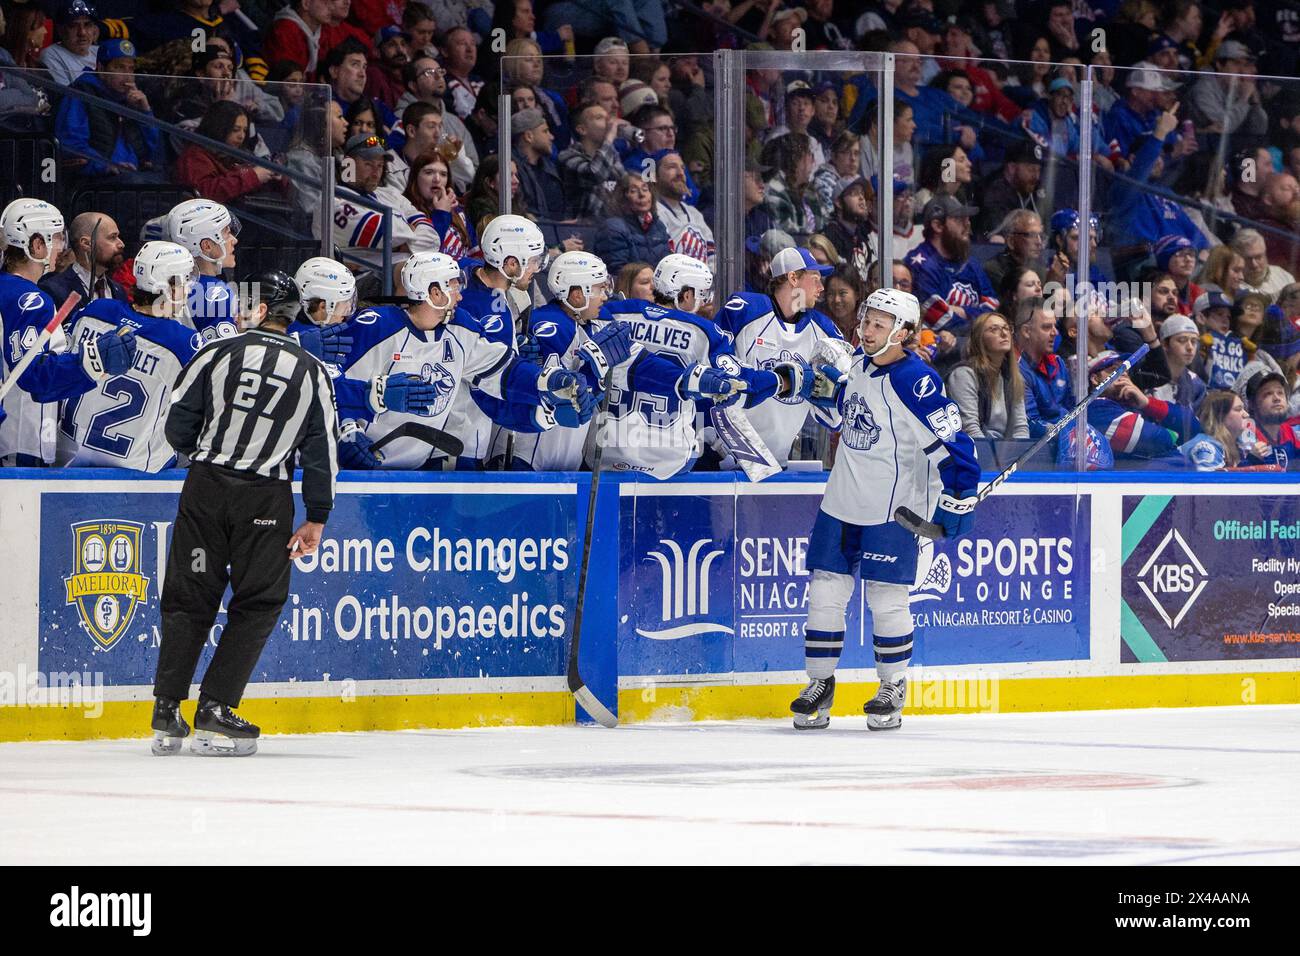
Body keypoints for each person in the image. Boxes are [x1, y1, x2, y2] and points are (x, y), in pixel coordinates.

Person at [149, 269, 341, 756]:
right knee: (258, 602)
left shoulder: (215, 352)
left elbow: (177, 426)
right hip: (265, 498)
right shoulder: (312, 371)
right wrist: (317, 515)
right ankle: (216, 706)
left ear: (259, 311)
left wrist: (212, 454)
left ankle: (167, 708)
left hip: (206, 488)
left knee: (188, 596)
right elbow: (322, 454)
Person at [793, 287, 979, 731]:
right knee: (823, 593)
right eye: (867, 320)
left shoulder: (915, 381)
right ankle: (819, 685)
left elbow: (953, 443)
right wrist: (826, 393)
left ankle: (892, 686)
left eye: (879, 323)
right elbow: (849, 409)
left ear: (904, 332)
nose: (868, 329)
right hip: (841, 501)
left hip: (892, 507)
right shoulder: (858, 364)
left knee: (886, 597)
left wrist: (959, 495)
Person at [334, 251, 590, 469]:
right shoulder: (375, 327)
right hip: (363, 467)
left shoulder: (461, 327)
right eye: (453, 286)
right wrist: (346, 430)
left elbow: (503, 372)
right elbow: (330, 382)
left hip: (416, 470)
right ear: (434, 292)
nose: (459, 295)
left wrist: (550, 381)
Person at [1, 199, 137, 465]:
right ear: (36, 244)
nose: (62, 248)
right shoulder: (29, 298)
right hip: (21, 441)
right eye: (55, 238)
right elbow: (34, 374)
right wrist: (93, 359)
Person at [57, 242, 201, 471]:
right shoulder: (183, 342)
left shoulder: (96, 310)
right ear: (169, 288)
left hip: (66, 459)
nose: (189, 290)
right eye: (185, 282)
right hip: (136, 473)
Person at [715, 246, 845, 470]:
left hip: (779, 459)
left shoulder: (825, 331)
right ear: (793, 277)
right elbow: (713, 365)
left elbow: (834, 417)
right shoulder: (744, 312)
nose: (821, 288)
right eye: (815, 279)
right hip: (725, 453)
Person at [55, 38, 164, 184]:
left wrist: (145, 113)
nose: (127, 75)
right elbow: (71, 144)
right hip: (97, 180)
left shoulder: (132, 100)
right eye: (119, 67)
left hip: (137, 175)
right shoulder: (81, 94)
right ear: (101, 68)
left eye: (131, 68)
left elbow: (156, 153)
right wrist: (105, 165)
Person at [906, 195, 998, 335]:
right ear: (938, 226)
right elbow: (939, 319)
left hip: (974, 344)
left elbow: (993, 306)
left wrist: (959, 310)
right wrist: (979, 323)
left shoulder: (970, 263)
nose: (968, 224)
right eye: (959, 219)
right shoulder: (920, 265)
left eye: (967, 218)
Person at [166, 199, 243, 344]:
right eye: (227, 234)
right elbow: (224, 356)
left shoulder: (168, 280)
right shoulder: (217, 293)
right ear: (207, 245)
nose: (234, 240)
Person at [946, 311, 1029, 440]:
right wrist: (993, 459)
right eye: (994, 329)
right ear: (980, 339)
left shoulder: (1013, 378)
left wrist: (1019, 457)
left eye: (1006, 328)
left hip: (1006, 454)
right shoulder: (964, 375)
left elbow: (1020, 428)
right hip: (977, 453)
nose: (1004, 333)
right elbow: (970, 429)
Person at [39, 213, 129, 319]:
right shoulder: (53, 290)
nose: (121, 244)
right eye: (112, 237)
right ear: (86, 243)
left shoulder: (118, 290)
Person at [1015, 296, 1073, 439]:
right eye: (1047, 327)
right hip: (1041, 450)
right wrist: (1070, 434)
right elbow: (1031, 423)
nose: (1055, 332)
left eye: (1055, 326)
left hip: (1067, 439)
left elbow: (1074, 408)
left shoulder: (1059, 363)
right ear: (1027, 331)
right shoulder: (1017, 369)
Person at [557, 102, 625, 220]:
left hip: (614, 229)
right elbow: (595, 174)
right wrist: (609, 138)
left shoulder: (611, 154)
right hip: (582, 230)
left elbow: (625, 184)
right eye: (599, 118)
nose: (608, 123)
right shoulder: (567, 156)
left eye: (607, 118)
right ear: (582, 129)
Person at [594, 174, 671, 274]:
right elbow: (617, 272)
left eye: (645, 189)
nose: (642, 195)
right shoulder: (612, 228)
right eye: (633, 191)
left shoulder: (659, 226)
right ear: (622, 198)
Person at [654, 151, 715, 267]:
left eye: (682, 168)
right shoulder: (655, 211)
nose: (680, 173)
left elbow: (712, 256)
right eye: (672, 167)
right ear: (655, 176)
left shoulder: (694, 213)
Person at [1151, 314, 1207, 409]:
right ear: (1164, 344)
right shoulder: (1145, 378)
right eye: (1182, 340)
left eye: (1194, 341)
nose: (1190, 347)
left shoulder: (1197, 384)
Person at [39, 0, 99, 87]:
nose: (82, 32)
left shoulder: (99, 51)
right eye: (73, 26)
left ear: (95, 28)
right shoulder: (52, 55)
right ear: (60, 30)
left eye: (87, 25)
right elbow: (66, 98)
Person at [1231, 228, 1295, 299]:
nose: (1254, 265)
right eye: (1247, 259)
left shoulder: (1283, 276)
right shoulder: (1232, 286)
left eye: (1258, 257)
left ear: (1265, 254)